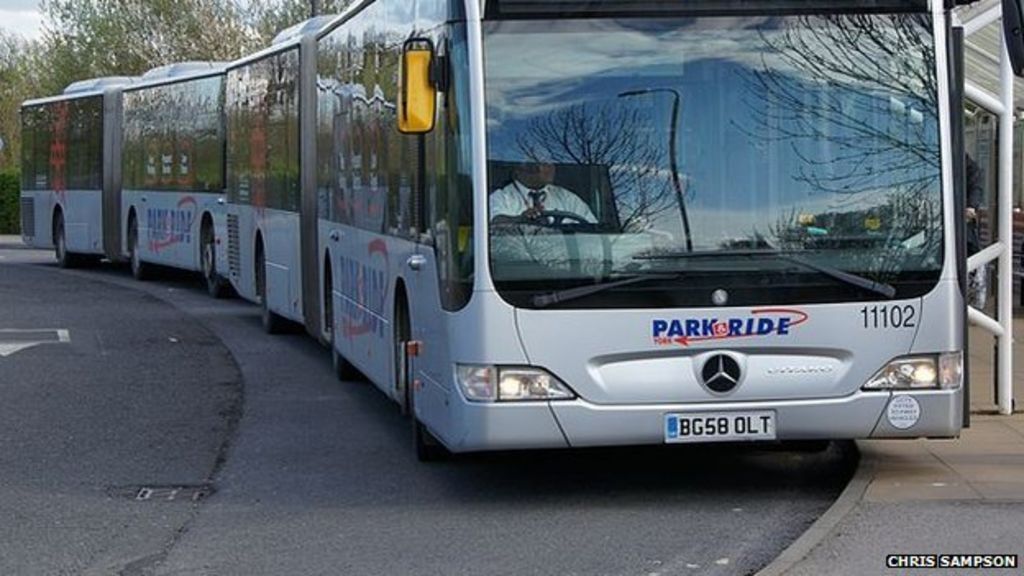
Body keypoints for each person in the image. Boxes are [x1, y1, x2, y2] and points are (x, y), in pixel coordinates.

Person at [490, 162, 597, 224]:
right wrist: (520, 221)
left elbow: (591, 226)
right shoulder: (501, 197)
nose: (543, 169)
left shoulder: (566, 197)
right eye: (535, 165)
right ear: (517, 170)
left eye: (548, 163)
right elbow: (494, 222)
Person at [966, 153, 987, 309]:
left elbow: (976, 188)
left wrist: (971, 206)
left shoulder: (971, 168)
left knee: (972, 255)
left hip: (965, 224)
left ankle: (974, 297)